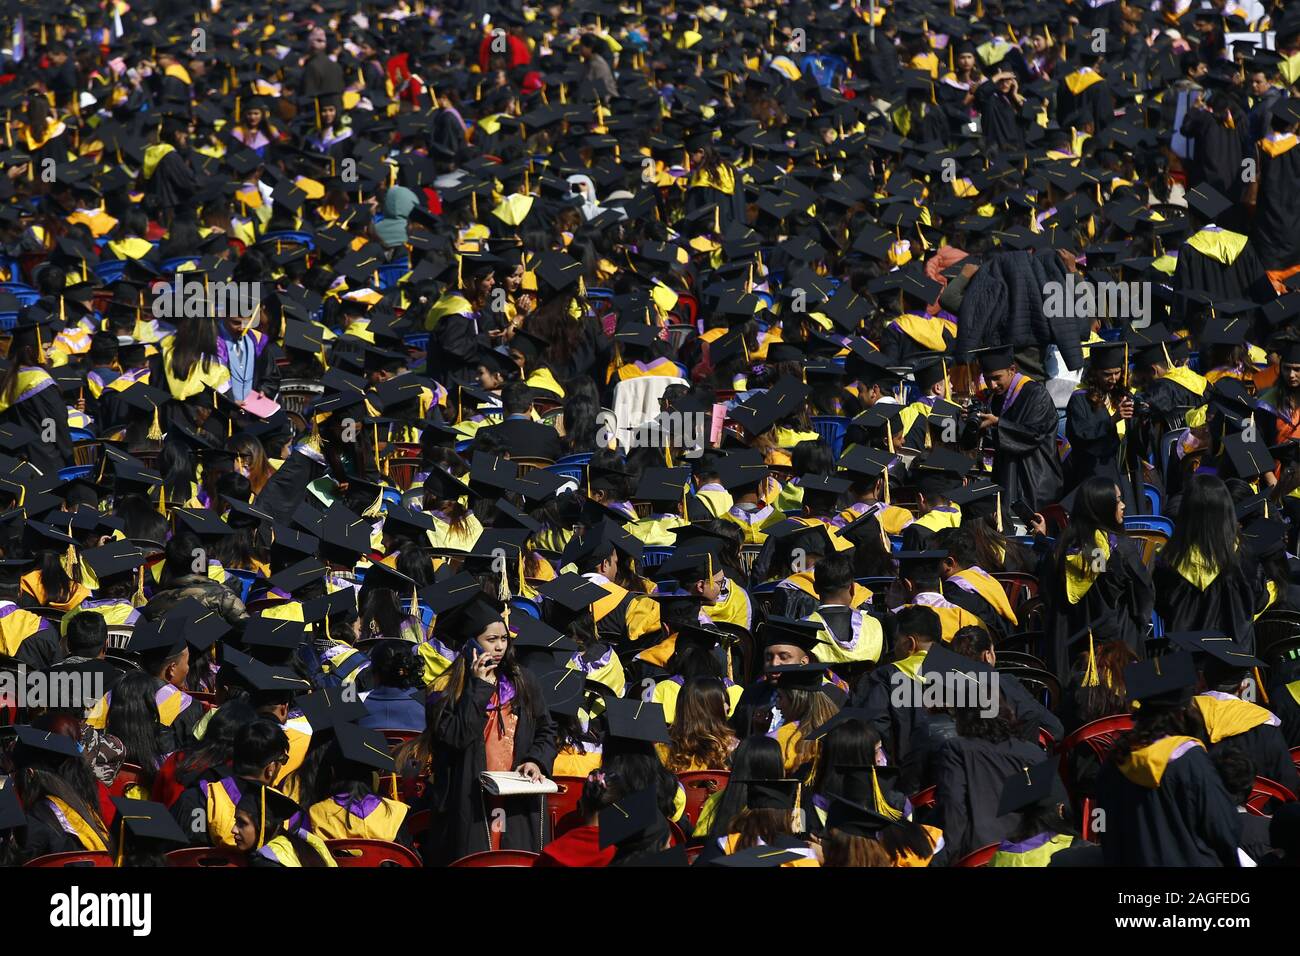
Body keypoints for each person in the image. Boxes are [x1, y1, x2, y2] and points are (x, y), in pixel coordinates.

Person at [424, 594, 556, 864]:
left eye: (504, 639)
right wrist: (478, 687)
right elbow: (458, 737)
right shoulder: (446, 690)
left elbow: (546, 730)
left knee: (514, 860)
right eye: (491, 640)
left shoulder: (522, 681)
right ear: (471, 643)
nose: (499, 647)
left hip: (516, 795)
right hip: (470, 798)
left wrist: (535, 760)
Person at [1094, 654, 1244, 866]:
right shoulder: (1188, 759)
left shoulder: (1115, 759)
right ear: (1183, 711)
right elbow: (1222, 826)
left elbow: (1099, 821)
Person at [1046, 477, 1154, 675]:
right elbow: (1142, 593)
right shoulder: (1120, 550)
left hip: (1071, 646)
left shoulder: (1063, 547)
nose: (1124, 505)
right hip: (1116, 646)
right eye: (1118, 501)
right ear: (1102, 507)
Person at [1152, 475, 1266, 651]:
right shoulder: (1244, 555)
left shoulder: (1170, 561)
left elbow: (1161, 606)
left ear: (1186, 512)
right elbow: (1259, 601)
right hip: (1233, 665)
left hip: (1185, 662)